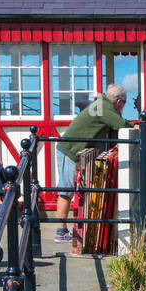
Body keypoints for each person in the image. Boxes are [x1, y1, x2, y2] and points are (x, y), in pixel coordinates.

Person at [52, 84, 128, 243]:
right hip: (70, 149)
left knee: (71, 189)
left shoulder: (101, 105)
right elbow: (120, 124)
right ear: (119, 101)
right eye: (124, 103)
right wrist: (136, 125)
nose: (123, 107)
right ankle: (60, 231)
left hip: (72, 149)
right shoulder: (104, 108)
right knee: (66, 189)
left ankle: (66, 229)